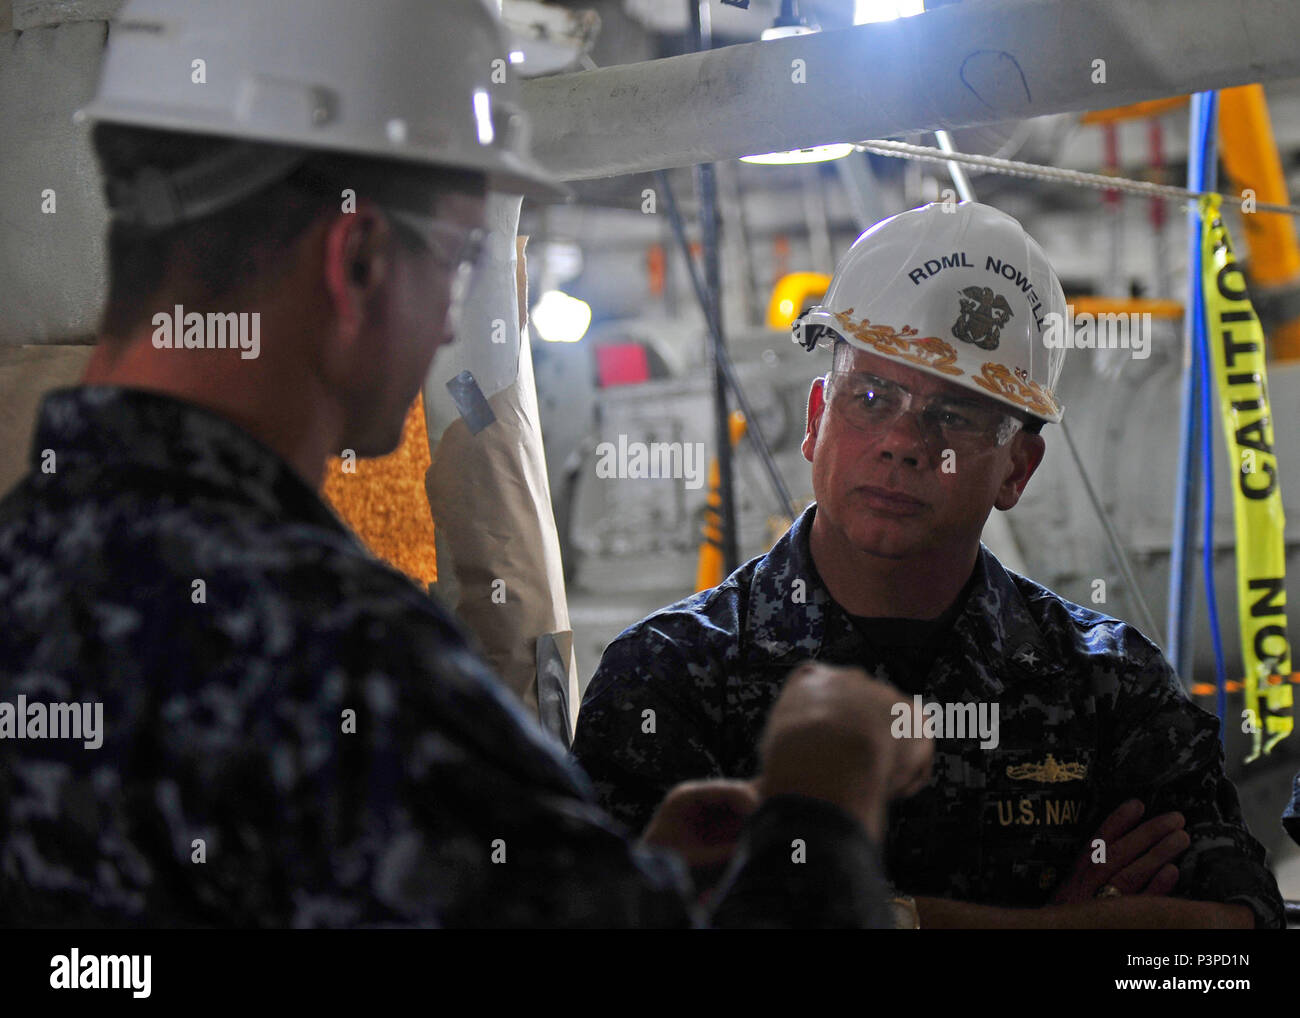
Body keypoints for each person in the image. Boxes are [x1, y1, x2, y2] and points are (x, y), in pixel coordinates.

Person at [0, 0, 932, 928]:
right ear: (358, 258)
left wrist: (625, 884)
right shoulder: (338, 658)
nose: (451, 320)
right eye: (454, 258)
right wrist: (827, 799)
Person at [572, 200, 1287, 929]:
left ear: (1019, 467)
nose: (904, 442)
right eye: (873, 397)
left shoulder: (1112, 685)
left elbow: (1226, 953)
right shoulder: (670, 676)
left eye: (956, 415)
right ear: (817, 418)